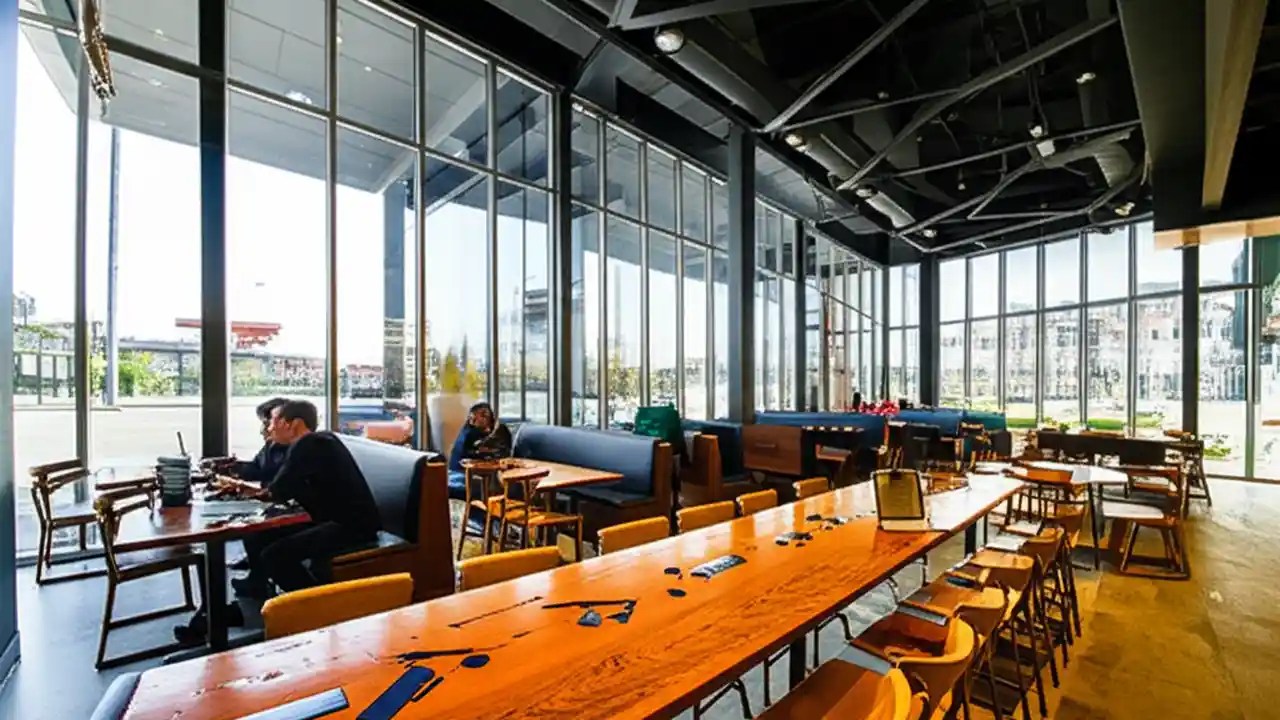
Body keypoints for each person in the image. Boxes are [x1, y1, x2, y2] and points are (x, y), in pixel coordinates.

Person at [218, 399, 382, 597]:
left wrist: (237, 487)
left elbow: (275, 492)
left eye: (274, 421)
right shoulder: (319, 442)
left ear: (294, 424)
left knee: (274, 556)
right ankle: (258, 586)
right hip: (333, 520)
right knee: (258, 536)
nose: (269, 428)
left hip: (352, 526)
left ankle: (316, 606)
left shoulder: (308, 445)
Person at [447, 401, 513, 499]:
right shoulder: (469, 433)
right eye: (472, 418)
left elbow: (504, 450)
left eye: (475, 418)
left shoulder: (497, 431)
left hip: (464, 473)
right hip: (463, 473)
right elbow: (467, 454)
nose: (472, 421)